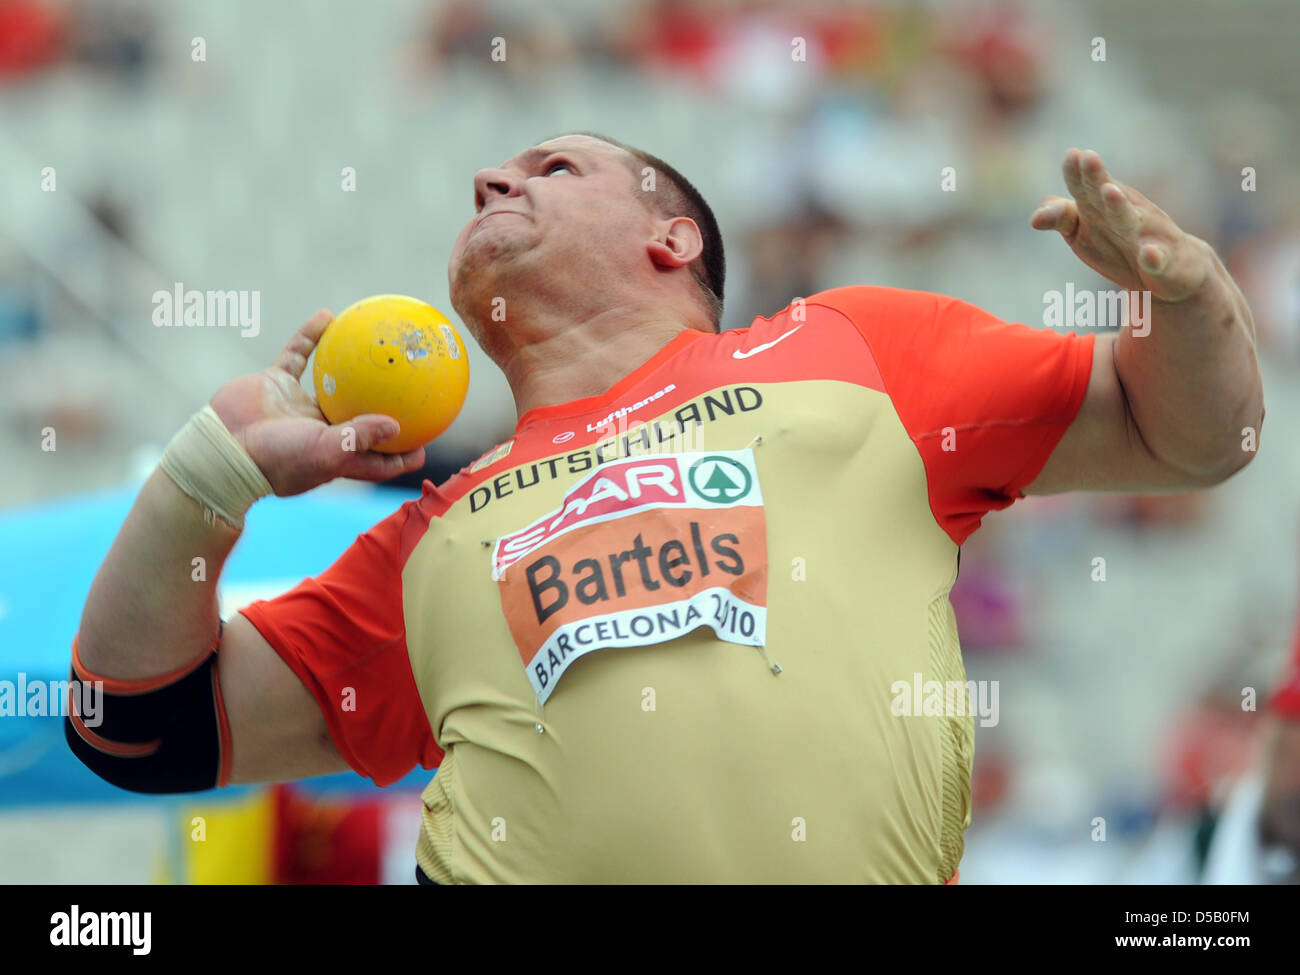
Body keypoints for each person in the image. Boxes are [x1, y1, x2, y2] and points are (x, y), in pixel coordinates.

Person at [66, 132, 1265, 883]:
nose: (491, 176)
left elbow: (1192, 437)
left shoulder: (853, 348)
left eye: (553, 167)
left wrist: (1192, 297)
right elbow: (134, 729)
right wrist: (209, 475)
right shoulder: (436, 532)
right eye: (497, 172)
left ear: (670, 235)